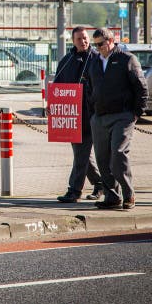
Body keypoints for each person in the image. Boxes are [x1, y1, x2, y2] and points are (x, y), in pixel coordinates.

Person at [87, 27, 147, 210]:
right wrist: (93, 113)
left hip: (123, 115)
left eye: (100, 44)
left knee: (118, 155)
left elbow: (141, 87)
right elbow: (90, 87)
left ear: (111, 41)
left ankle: (129, 194)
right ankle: (112, 197)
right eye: (95, 45)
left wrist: (136, 113)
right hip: (100, 117)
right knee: (102, 159)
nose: (98, 48)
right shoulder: (94, 62)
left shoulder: (127, 59)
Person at [54, 26, 104, 203]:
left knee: (81, 155)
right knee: (82, 155)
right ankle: (100, 183)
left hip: (92, 114)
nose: (83, 41)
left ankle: (74, 191)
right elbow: (57, 86)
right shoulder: (66, 61)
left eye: (85, 38)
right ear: (73, 41)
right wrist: (53, 106)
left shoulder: (97, 59)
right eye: (79, 39)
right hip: (73, 116)